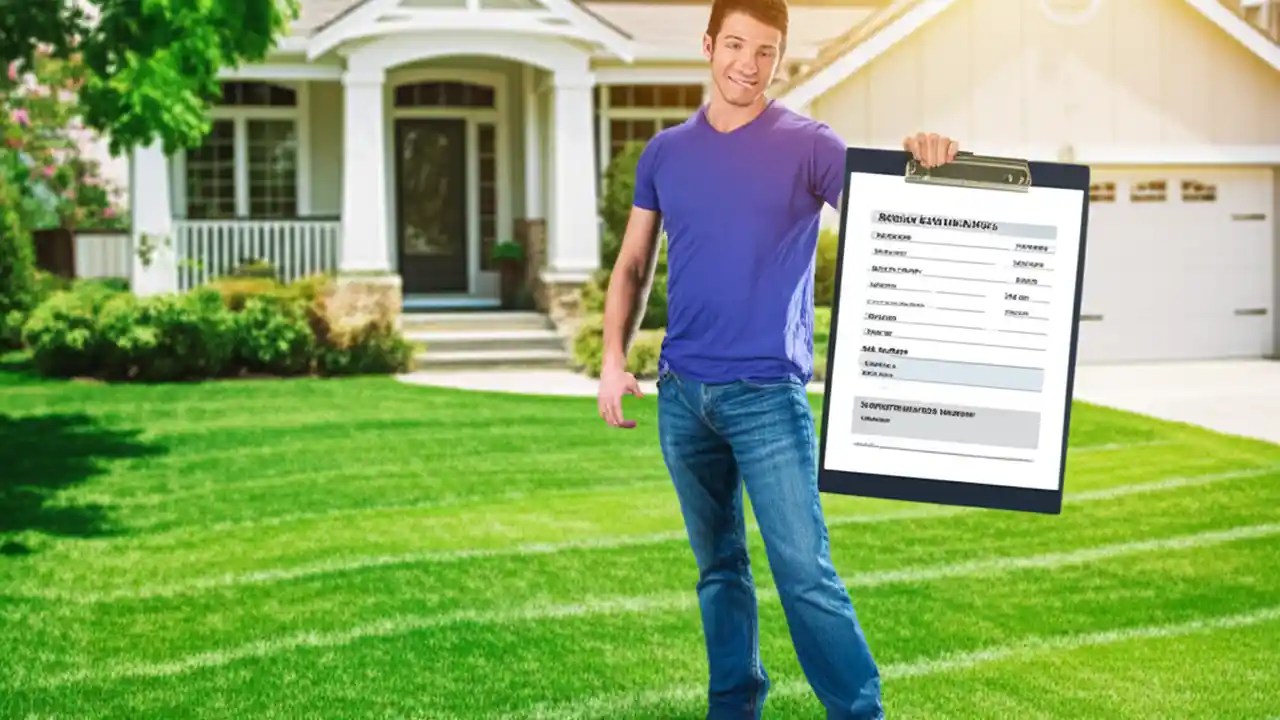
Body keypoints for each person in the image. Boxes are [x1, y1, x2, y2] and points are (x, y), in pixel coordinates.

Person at [595, 0, 958, 717]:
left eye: (765, 52)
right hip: (683, 397)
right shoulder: (666, 151)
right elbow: (634, 263)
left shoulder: (809, 144)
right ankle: (734, 706)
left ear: (780, 59)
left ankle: (859, 712)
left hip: (768, 397)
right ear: (707, 45)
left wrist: (928, 164)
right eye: (735, 45)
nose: (748, 65)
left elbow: (892, 211)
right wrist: (613, 360)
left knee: (804, 574)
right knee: (719, 572)